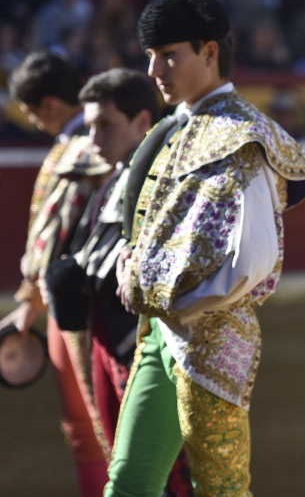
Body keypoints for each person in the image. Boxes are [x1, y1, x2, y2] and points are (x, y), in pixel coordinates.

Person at [105, 0, 305, 497]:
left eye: (170, 54)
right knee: (129, 483)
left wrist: (162, 293)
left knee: (220, 488)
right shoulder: (174, 128)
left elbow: (252, 260)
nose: (155, 68)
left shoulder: (241, 133)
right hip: (160, 330)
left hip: (212, 335)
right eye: (151, 55)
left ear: (209, 52)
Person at [41, 69, 195, 497]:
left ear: (143, 122)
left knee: (167, 473)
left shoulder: (163, 181)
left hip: (142, 341)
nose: (94, 139)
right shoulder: (113, 180)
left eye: (105, 125)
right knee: (123, 455)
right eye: (90, 126)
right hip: (108, 338)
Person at [0, 52, 113, 497]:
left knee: (91, 428)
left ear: (48, 105)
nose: (31, 121)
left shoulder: (77, 147)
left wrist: (29, 303)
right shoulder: (106, 138)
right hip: (106, 297)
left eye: (29, 111)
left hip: (77, 302)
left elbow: (51, 236)